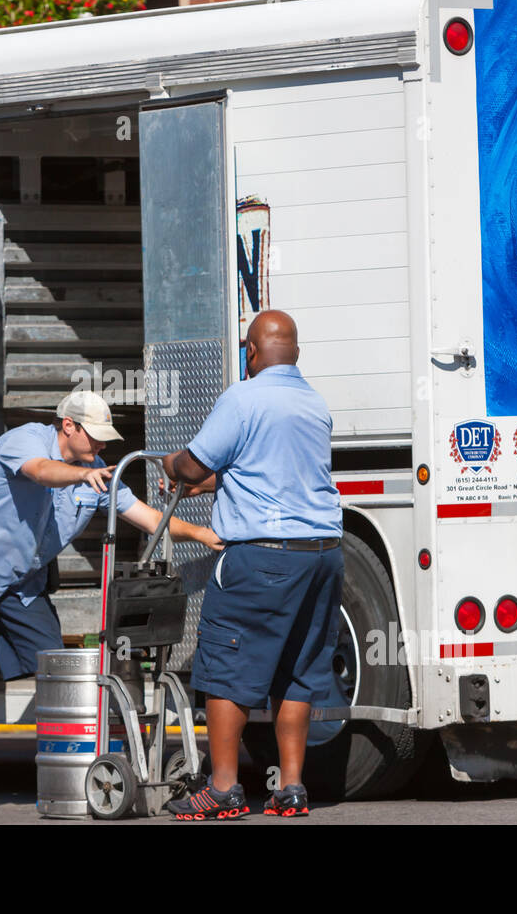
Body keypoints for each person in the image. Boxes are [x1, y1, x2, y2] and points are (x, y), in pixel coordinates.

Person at [0, 389, 223, 816]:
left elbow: (150, 519)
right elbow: (40, 472)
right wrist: (79, 476)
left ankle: (63, 775)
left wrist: (206, 535)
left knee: (60, 668)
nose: (101, 446)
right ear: (68, 426)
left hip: (20, 580)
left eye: (105, 440)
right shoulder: (26, 440)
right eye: (94, 437)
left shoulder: (96, 472)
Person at [161, 310, 343, 820]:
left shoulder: (242, 398)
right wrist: (214, 483)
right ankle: (290, 788)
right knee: (298, 670)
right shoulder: (314, 404)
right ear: (298, 354)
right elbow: (272, 471)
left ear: (251, 353)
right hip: (323, 555)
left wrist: (171, 466)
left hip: (263, 558)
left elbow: (194, 463)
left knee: (224, 665)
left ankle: (222, 789)